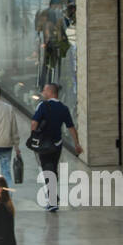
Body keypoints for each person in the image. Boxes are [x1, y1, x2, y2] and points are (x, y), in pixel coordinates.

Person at [30, 82, 82, 212]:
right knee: (52, 169)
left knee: (47, 170)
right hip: (57, 145)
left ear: (50, 92)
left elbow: (34, 123)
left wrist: (33, 138)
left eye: (44, 90)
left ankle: (52, 200)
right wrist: (77, 144)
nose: (42, 92)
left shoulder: (42, 106)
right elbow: (71, 127)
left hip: (43, 145)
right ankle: (53, 195)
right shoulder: (63, 108)